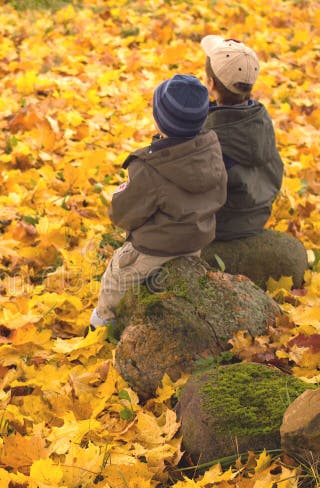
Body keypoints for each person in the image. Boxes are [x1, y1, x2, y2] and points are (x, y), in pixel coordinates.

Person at [90, 74, 227, 329]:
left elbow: (124, 214)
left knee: (116, 277)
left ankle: (101, 324)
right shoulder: (211, 151)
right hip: (194, 243)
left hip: (152, 248)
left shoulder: (151, 168)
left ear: (159, 121)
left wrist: (118, 198)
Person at [200, 35, 284, 241]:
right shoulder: (260, 121)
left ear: (210, 84)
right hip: (257, 215)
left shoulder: (210, 133)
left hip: (220, 224)